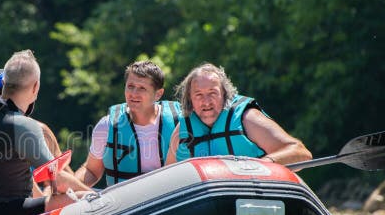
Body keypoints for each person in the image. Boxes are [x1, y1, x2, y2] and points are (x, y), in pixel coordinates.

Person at [0, 50, 90, 215]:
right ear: (36, 87)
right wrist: (98, 194)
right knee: (77, 199)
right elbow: (57, 180)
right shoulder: (23, 125)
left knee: (76, 196)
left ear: (4, 83)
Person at [165, 62, 312, 165]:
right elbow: (167, 176)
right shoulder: (183, 130)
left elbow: (301, 153)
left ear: (224, 94)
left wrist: (263, 164)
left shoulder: (247, 119)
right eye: (199, 95)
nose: (206, 101)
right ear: (190, 99)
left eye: (212, 93)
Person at [74, 60, 181, 187]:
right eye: (130, 86)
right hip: (125, 203)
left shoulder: (181, 123)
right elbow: (92, 171)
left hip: (171, 201)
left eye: (142, 88)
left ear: (158, 94)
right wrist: (69, 186)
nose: (134, 94)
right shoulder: (106, 126)